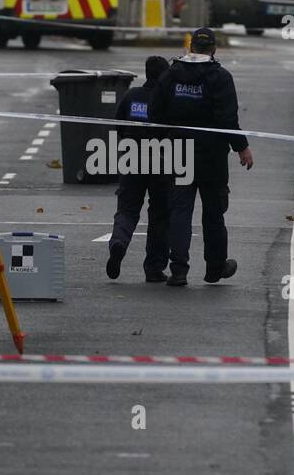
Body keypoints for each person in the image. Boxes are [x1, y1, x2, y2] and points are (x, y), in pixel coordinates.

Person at [150, 27, 252, 287]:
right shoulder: (220, 77)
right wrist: (242, 147)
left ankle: (179, 270)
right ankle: (215, 267)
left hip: (179, 152)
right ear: (214, 49)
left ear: (190, 47)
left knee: (180, 211)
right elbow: (227, 119)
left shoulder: (171, 75)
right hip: (212, 156)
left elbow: (155, 112)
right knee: (214, 212)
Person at [106, 55, 173, 283]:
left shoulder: (132, 95)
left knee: (127, 208)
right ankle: (154, 268)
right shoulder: (167, 99)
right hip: (162, 160)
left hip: (132, 157)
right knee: (160, 214)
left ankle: (118, 243)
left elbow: (118, 125)